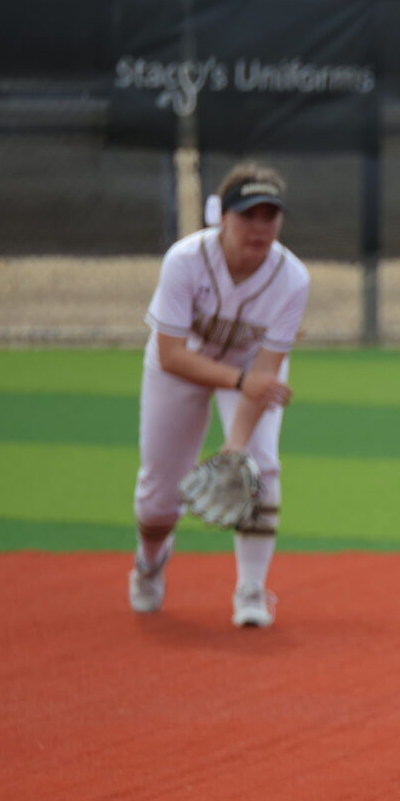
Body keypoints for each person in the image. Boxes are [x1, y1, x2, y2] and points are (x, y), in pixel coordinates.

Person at [129, 163, 308, 629]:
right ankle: (149, 561)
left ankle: (251, 588)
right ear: (223, 217)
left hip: (251, 371)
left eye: (270, 215)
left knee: (260, 467)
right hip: (183, 365)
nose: (260, 227)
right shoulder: (186, 260)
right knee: (158, 494)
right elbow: (170, 355)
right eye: (249, 215)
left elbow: (265, 371)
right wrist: (239, 381)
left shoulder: (292, 279)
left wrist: (236, 445)